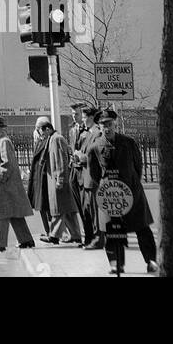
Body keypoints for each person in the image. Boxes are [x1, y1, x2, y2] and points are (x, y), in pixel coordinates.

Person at [88, 108, 158, 274]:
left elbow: (138, 166)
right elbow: (95, 174)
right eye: (103, 125)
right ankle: (116, 264)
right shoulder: (95, 147)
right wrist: (109, 187)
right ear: (99, 126)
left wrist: (130, 183)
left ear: (115, 124)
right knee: (113, 232)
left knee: (142, 229)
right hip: (111, 195)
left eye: (110, 124)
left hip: (133, 193)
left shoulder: (128, 142)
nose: (107, 127)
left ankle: (151, 261)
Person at [0, 114, 36, 253]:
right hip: (6, 186)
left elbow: (7, 163)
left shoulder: (3, 142)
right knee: (14, 214)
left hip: (4, 186)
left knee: (1, 215)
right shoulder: (0, 141)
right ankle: (26, 240)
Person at [45, 117, 83, 244]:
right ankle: (76, 235)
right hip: (59, 179)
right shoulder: (52, 139)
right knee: (68, 210)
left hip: (60, 180)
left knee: (59, 208)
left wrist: (60, 179)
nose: (39, 134)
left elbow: (61, 160)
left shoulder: (56, 139)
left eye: (40, 130)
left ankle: (54, 235)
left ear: (47, 129)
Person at [74, 105, 103, 248]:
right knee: (88, 210)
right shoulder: (88, 133)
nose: (83, 120)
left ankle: (98, 239)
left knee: (95, 211)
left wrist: (81, 157)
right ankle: (92, 238)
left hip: (92, 177)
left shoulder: (97, 133)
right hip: (85, 177)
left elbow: (96, 155)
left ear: (91, 118)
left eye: (84, 117)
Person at [28, 117, 53, 240]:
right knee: (41, 207)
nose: (37, 132)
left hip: (45, 178)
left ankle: (52, 232)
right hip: (38, 178)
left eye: (39, 129)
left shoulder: (50, 141)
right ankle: (48, 230)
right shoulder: (39, 141)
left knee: (47, 207)